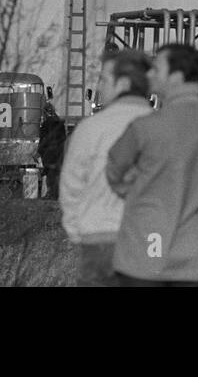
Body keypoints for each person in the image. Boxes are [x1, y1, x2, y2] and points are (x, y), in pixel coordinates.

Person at [106, 43, 198, 286]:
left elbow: (114, 170)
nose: (149, 74)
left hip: (144, 253)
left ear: (176, 76)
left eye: (156, 68)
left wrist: (137, 190)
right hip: (194, 257)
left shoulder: (145, 127)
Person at [59, 48, 153, 286]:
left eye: (104, 79)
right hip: (148, 240)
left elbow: (71, 186)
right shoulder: (163, 127)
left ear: (122, 83)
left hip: (98, 241)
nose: (99, 87)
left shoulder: (90, 129)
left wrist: (77, 231)